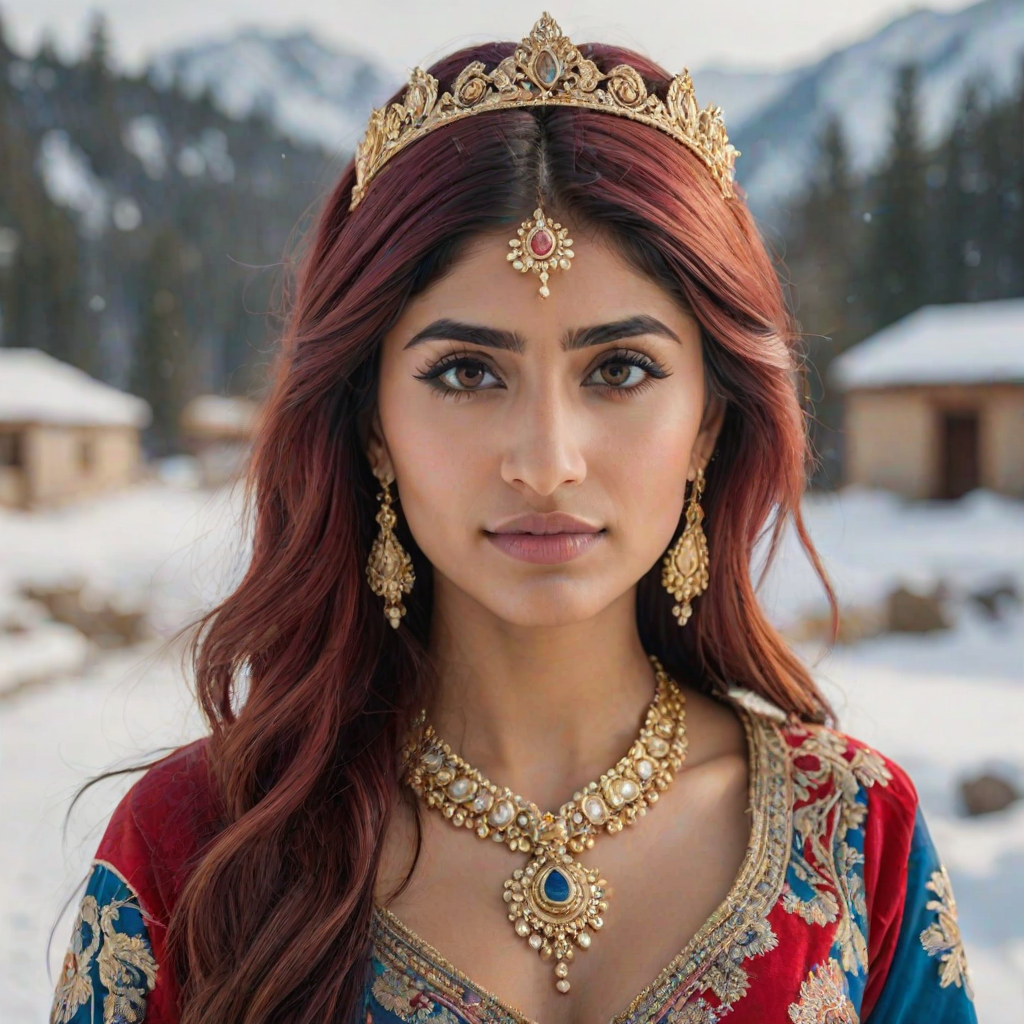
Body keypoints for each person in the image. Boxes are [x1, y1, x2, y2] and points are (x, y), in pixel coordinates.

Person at [49, 13, 977, 1024]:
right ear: (370, 426)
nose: (545, 460)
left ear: (709, 422)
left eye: (618, 370)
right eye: (466, 372)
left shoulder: (850, 838)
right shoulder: (199, 849)